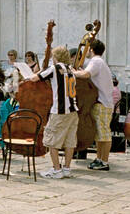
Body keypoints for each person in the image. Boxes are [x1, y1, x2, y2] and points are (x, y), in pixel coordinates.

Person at [31, 46, 77, 178]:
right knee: (69, 141)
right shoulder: (70, 70)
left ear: (56, 57)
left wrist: (28, 76)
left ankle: (57, 170)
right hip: (73, 110)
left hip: (59, 110)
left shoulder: (55, 68)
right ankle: (67, 169)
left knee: (51, 139)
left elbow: (36, 78)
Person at [72, 38, 114, 171]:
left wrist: (72, 72)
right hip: (102, 101)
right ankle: (99, 158)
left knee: (104, 134)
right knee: (99, 134)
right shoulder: (99, 62)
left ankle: (104, 161)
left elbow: (85, 74)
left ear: (91, 49)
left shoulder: (96, 61)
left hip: (102, 102)